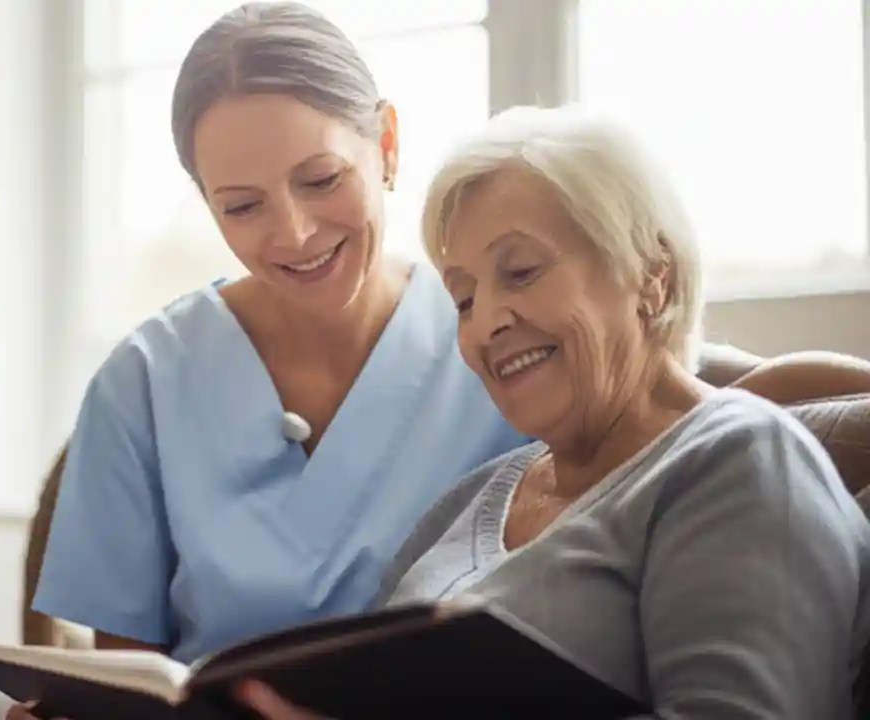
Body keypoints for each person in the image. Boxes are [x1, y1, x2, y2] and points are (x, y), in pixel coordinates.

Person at [231, 106, 870, 719]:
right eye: (463, 298)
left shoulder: (741, 460)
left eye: (522, 271)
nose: (486, 324)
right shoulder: (471, 498)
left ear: (653, 276)